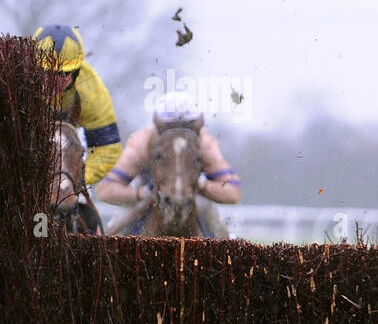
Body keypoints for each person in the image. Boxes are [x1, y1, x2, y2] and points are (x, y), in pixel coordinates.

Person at [94, 90, 240, 236]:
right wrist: (141, 193)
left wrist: (200, 184)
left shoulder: (205, 144)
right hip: (148, 190)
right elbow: (105, 190)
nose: (179, 132)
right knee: (116, 228)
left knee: (220, 231)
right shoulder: (142, 142)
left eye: (187, 126)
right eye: (171, 127)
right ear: (159, 127)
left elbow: (232, 192)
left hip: (194, 193)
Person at [33, 25, 121, 233]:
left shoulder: (91, 90)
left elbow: (107, 150)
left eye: (64, 73)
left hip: (68, 152)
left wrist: (73, 177)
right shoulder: (15, 82)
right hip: (28, 155)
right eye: (48, 73)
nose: (56, 81)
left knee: (91, 224)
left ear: (77, 71)